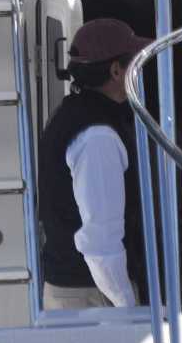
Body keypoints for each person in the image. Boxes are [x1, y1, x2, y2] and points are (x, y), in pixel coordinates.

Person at [38, 17, 150, 310]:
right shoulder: (99, 135)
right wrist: (125, 302)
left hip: (78, 288)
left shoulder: (72, 115)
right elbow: (101, 237)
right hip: (93, 293)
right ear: (116, 70)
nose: (141, 72)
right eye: (136, 64)